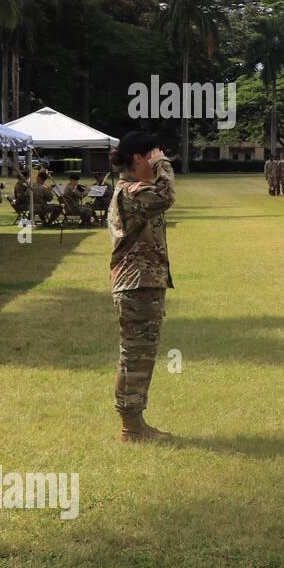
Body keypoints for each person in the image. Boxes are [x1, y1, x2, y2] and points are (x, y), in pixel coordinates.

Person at [107, 132, 176, 442]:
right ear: (139, 158)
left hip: (142, 283)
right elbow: (166, 197)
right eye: (152, 155)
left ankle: (135, 423)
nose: (157, 160)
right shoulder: (132, 192)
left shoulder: (134, 189)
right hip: (136, 284)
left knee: (140, 354)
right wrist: (165, 165)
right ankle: (131, 427)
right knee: (136, 355)